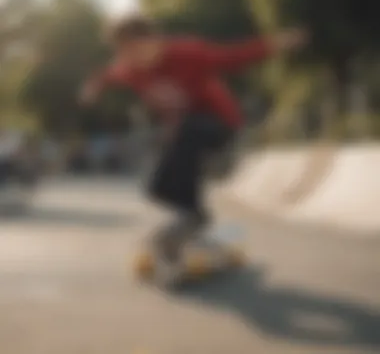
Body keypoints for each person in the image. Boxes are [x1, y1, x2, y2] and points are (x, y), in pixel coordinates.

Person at [79, 15, 308, 267]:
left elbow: (234, 57)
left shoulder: (188, 52)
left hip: (222, 126)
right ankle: (195, 219)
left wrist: (277, 43)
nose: (132, 59)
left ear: (153, 40)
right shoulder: (130, 69)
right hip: (188, 135)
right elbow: (108, 75)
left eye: (135, 51)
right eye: (125, 53)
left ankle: (192, 220)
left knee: (188, 127)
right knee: (156, 188)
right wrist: (93, 88)